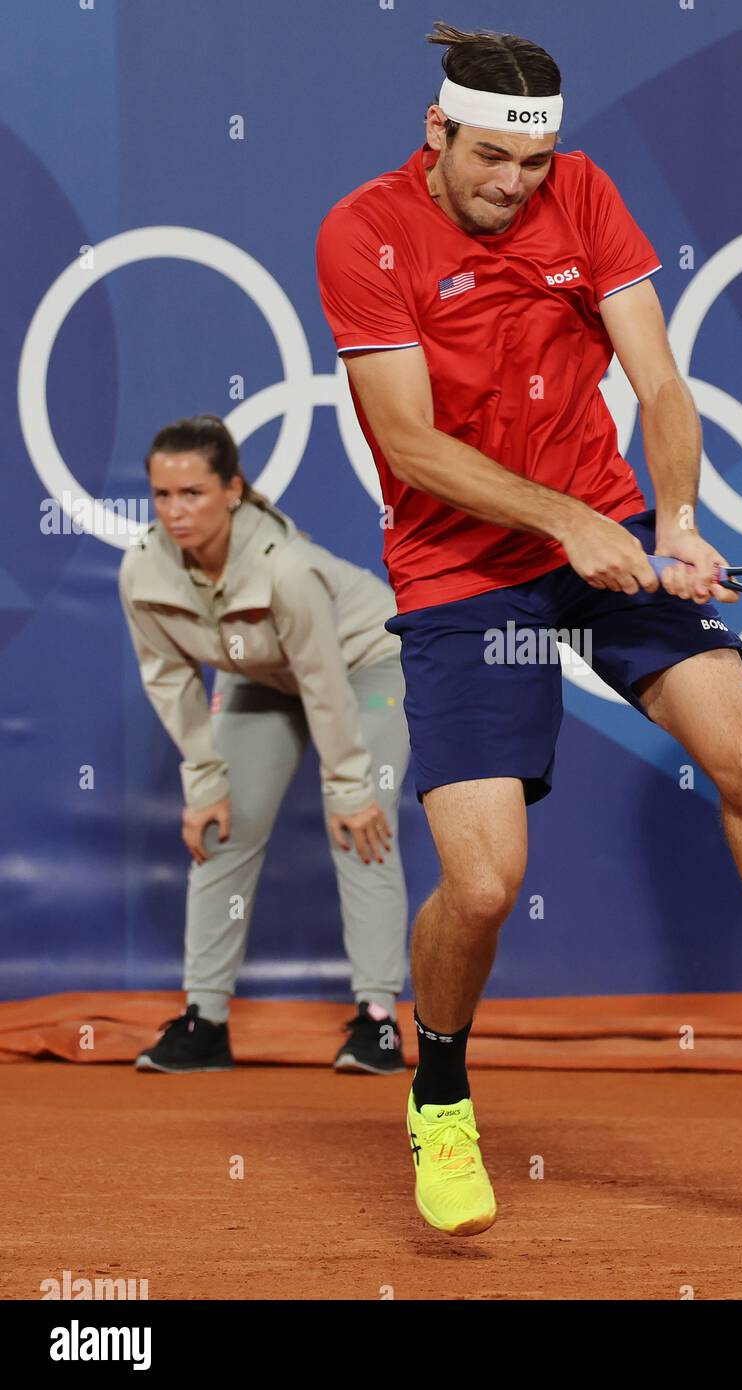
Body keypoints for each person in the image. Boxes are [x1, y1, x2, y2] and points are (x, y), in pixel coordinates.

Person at [316, 22, 742, 1237]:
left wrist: (682, 516)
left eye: (533, 165)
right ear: (436, 132)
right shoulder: (365, 231)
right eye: (492, 158)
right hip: (462, 570)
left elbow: (658, 382)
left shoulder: (584, 193)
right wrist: (559, 521)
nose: (515, 185)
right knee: (487, 885)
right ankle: (438, 1090)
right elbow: (408, 444)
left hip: (611, 532)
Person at [119, 414, 410, 1076]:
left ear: (233, 490)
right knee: (221, 827)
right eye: (162, 495)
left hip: (365, 665)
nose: (175, 511)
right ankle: (205, 1021)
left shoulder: (287, 570)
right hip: (262, 674)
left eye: (192, 493)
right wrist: (204, 785)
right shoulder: (143, 572)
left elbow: (323, 678)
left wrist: (346, 787)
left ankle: (377, 1021)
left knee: (361, 824)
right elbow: (170, 681)